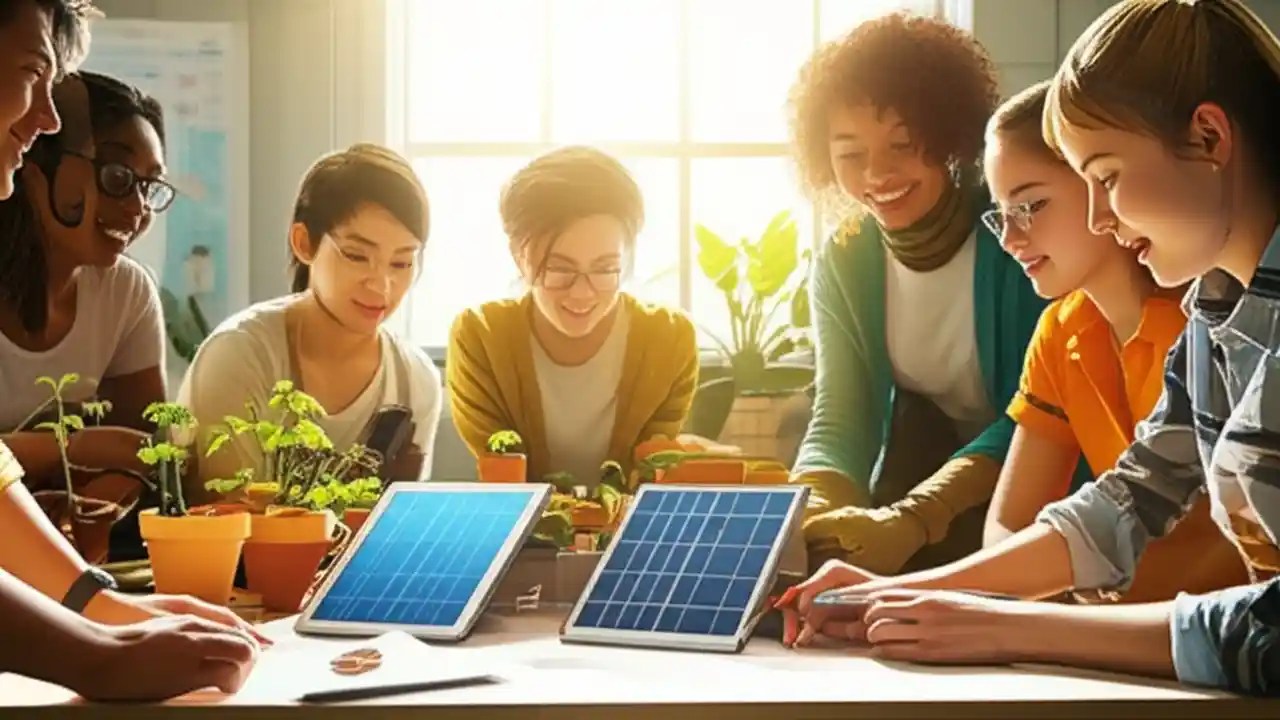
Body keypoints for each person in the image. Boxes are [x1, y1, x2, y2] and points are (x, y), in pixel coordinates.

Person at [778, 0, 1280, 695]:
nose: (1102, 218)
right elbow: (1128, 501)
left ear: (1209, 137)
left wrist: (1004, 624)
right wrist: (901, 592)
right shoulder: (1218, 312)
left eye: (1103, 176)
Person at [0, 0, 261, 702]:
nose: (45, 118)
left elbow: (142, 448)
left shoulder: (126, 292)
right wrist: (97, 656)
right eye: (31, 74)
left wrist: (104, 609)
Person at [785, 11, 1063, 575]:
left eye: (903, 143)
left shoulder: (1019, 238)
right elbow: (842, 414)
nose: (877, 173)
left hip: (1042, 481)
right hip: (932, 469)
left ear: (948, 133)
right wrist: (809, 511)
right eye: (850, 154)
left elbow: (1041, 415)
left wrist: (917, 515)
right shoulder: (844, 259)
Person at [981, 80, 1247, 602]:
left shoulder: (1214, 321)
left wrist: (1076, 596)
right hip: (1112, 640)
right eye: (1000, 215)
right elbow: (1006, 526)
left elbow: (1232, 555)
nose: (1010, 239)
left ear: (1099, 182)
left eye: (1030, 205)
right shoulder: (1061, 332)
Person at [181, 143, 441, 499]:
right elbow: (227, 519)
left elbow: (400, 525)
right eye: (356, 255)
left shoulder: (415, 380)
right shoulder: (241, 355)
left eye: (402, 263)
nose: (382, 284)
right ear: (304, 243)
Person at [0, 69, 174, 564]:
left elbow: (143, 452)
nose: (137, 208)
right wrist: (71, 447)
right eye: (117, 178)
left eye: (150, 187)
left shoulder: (127, 292)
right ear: (37, 164)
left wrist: (91, 509)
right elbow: (111, 444)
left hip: (63, 558)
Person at [447, 146, 697, 485]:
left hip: (628, 532)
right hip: (525, 532)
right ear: (518, 254)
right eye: (558, 269)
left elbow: (649, 471)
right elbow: (503, 475)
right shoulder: (480, 337)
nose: (582, 293)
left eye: (605, 269)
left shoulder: (670, 339)